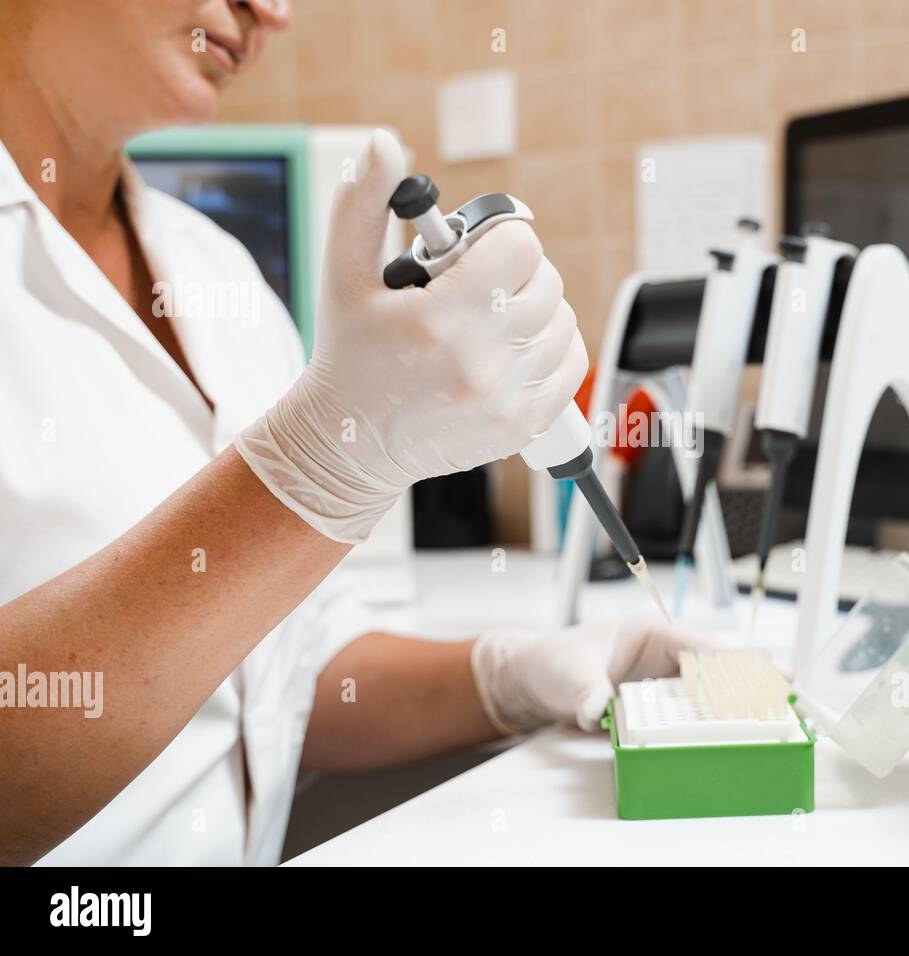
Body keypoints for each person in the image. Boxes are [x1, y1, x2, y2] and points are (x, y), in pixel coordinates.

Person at [0, 0, 699, 866]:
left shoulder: (216, 270)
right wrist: (320, 464)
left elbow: (276, 672)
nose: (274, 12)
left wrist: (508, 679)